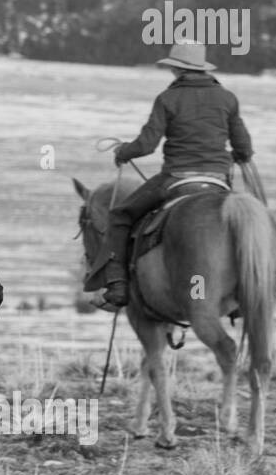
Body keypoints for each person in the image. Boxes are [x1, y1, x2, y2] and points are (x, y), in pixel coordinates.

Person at [87, 40, 253, 307]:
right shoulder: (227, 98)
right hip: (218, 180)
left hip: (177, 178)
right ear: (201, 68)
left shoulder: (168, 99)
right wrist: (238, 156)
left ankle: (117, 284)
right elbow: (244, 147)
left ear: (177, 68)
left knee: (120, 215)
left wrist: (123, 152)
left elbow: (146, 145)